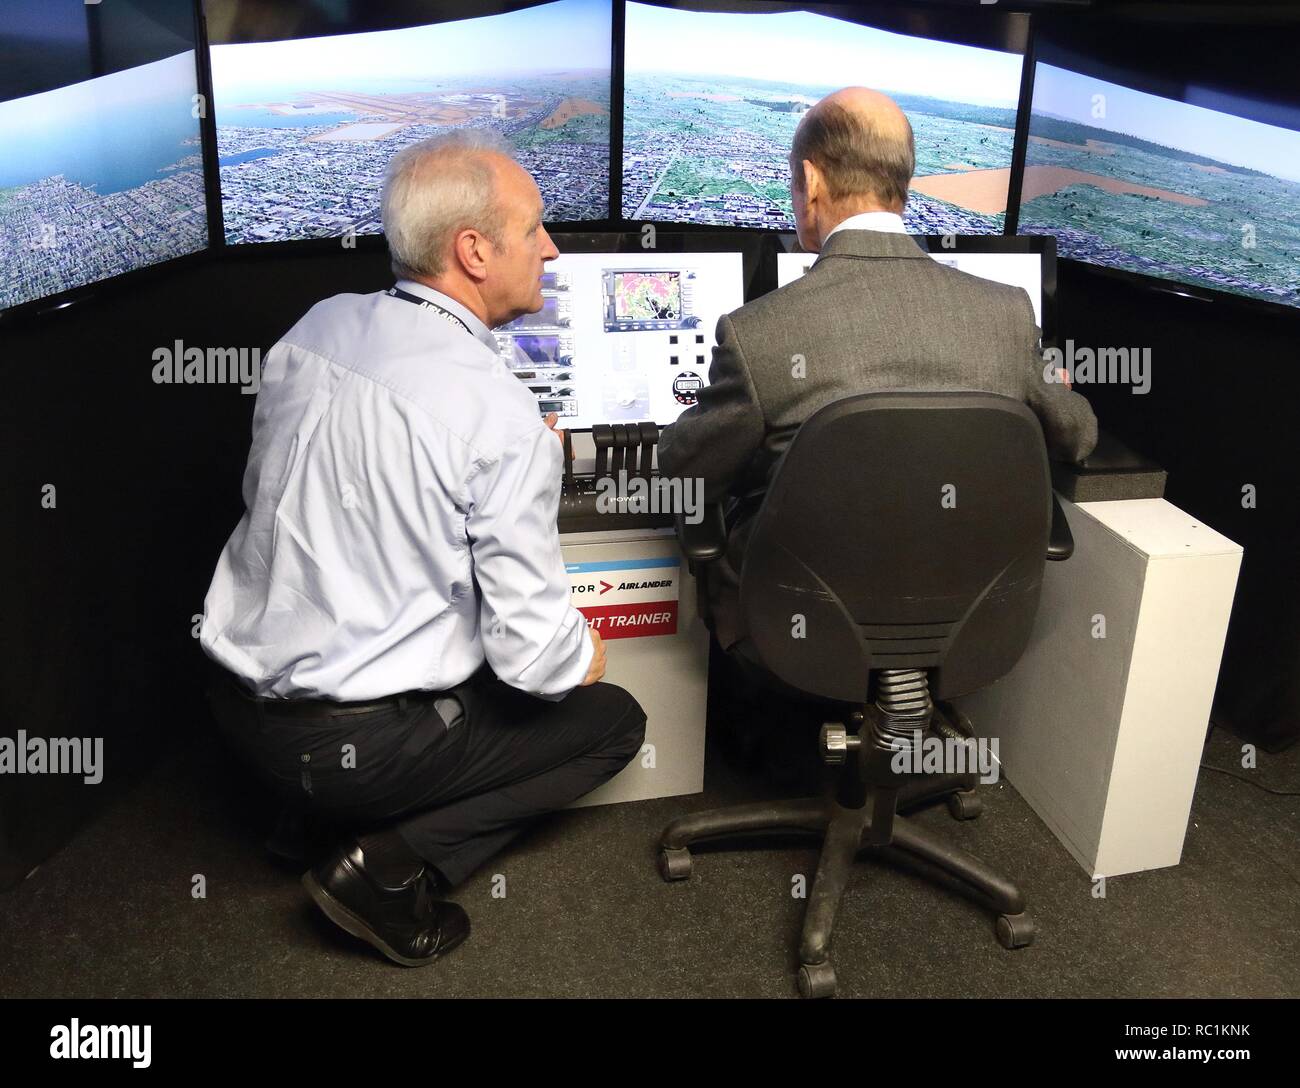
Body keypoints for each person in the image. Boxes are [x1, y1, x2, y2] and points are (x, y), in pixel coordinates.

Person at [200, 130, 646, 968]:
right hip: (354, 750)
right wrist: (584, 648)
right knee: (612, 721)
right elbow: (533, 664)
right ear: (474, 251)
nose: (550, 247)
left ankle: (312, 819)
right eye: (537, 230)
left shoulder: (315, 325)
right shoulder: (497, 415)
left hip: (234, 713)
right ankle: (384, 865)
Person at [657, 86, 1099, 653]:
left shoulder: (758, 333)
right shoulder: (1008, 314)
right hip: (968, 625)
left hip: (794, 633)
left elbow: (683, 472)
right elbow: (1079, 435)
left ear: (812, 183)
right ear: (903, 182)